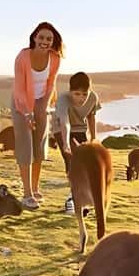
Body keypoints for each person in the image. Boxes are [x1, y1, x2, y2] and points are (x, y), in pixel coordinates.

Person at [12, 22, 63, 209]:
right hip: (21, 102)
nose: (45, 41)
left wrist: (42, 107)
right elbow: (18, 89)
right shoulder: (23, 57)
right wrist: (26, 112)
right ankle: (26, 193)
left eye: (49, 39)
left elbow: (51, 85)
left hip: (42, 101)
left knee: (39, 145)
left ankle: (35, 187)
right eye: (41, 37)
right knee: (26, 146)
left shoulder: (55, 58)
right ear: (34, 38)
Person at [54, 71, 102, 213]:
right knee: (72, 161)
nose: (81, 98)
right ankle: (72, 200)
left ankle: (82, 197)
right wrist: (66, 143)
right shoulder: (63, 100)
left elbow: (91, 117)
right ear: (70, 92)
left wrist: (94, 139)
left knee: (86, 163)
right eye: (77, 94)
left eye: (84, 94)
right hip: (61, 129)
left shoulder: (93, 97)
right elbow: (65, 122)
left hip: (80, 129)